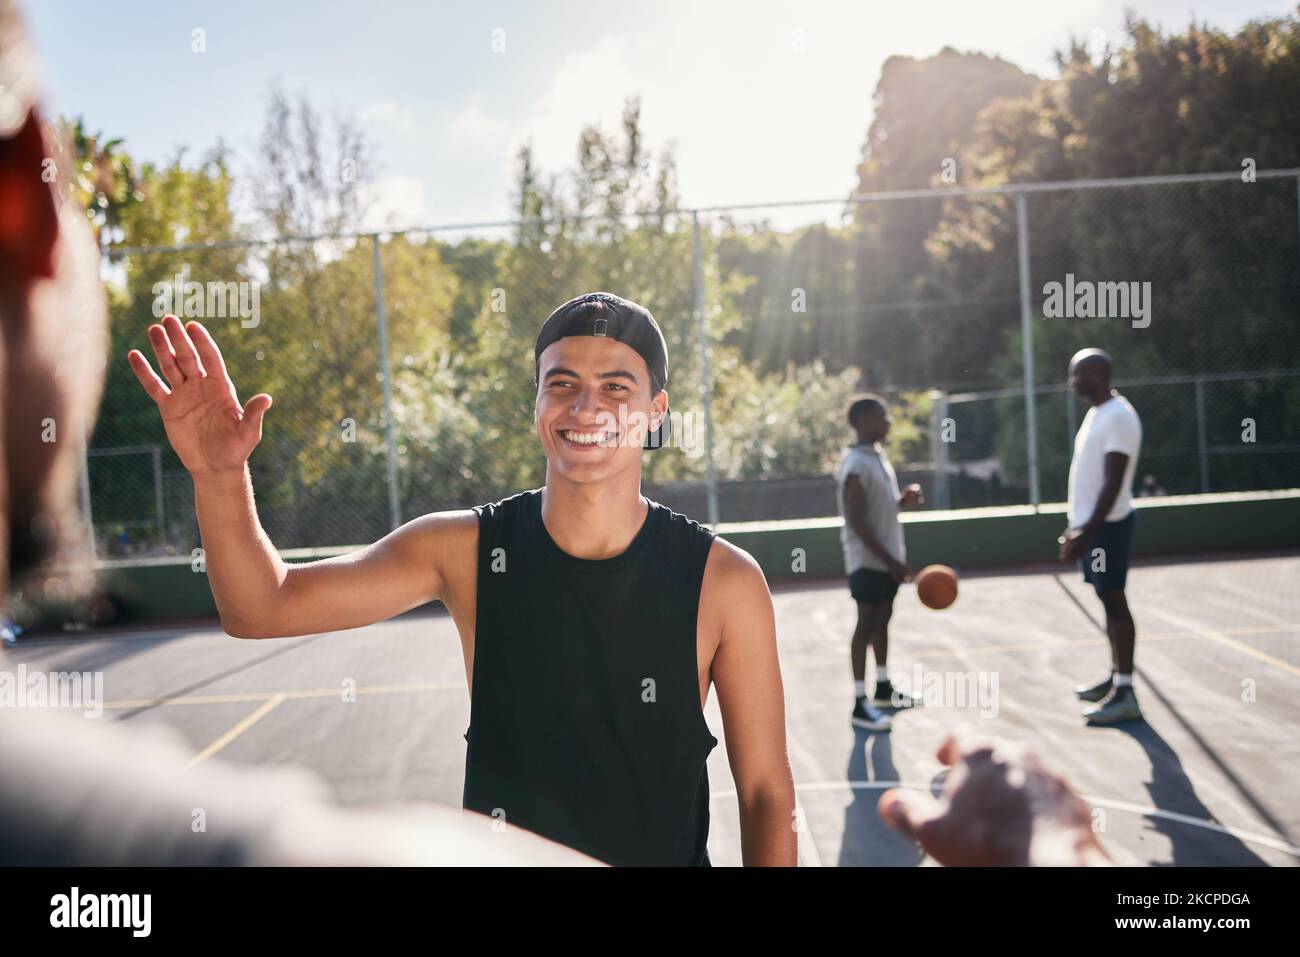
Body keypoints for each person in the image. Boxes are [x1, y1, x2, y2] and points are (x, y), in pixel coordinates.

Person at [127, 292, 799, 866]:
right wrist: (219, 477)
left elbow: (767, 790)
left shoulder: (723, 579)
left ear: (656, 411)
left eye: (616, 386)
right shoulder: (465, 549)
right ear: (536, 403)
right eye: (561, 383)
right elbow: (263, 608)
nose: (585, 405)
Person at [1058, 349, 1143, 726]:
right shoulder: (1098, 414)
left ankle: (1125, 692)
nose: (1071, 381)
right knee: (1107, 601)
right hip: (1094, 528)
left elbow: (1112, 483)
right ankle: (1115, 677)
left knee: (1114, 601)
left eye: (1076, 375)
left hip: (1108, 528)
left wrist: (1085, 532)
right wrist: (1076, 528)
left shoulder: (1119, 418)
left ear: (1096, 375)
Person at [836, 394, 924, 732]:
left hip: (885, 559)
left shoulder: (876, 457)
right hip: (868, 561)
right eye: (881, 416)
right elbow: (857, 520)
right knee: (866, 623)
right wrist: (891, 561)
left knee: (883, 618)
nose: (887, 421)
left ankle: (883, 688)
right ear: (862, 423)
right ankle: (860, 703)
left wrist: (902, 500)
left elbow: (875, 508)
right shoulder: (855, 465)